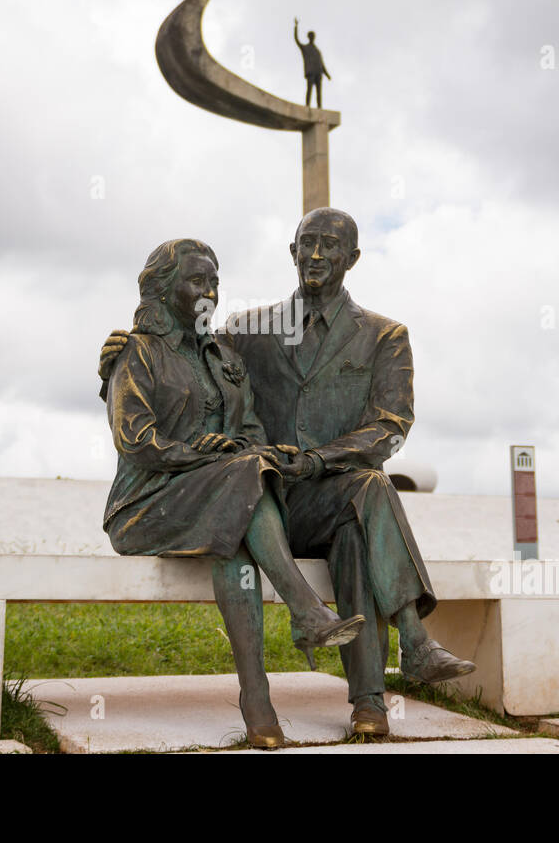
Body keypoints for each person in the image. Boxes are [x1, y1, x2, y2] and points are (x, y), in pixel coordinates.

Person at [99, 211, 474, 738]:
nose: (318, 254)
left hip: (323, 493)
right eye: (308, 244)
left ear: (353, 258)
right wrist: (116, 359)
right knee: (271, 509)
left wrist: (318, 459)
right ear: (292, 252)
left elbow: (390, 429)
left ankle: (377, 693)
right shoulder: (247, 333)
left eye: (331, 245)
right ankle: (386, 641)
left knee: (366, 496)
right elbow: (184, 355)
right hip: (254, 494)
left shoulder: (384, 336)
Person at [102, 238, 363, 749]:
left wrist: (235, 448)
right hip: (146, 507)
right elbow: (135, 440)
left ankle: (257, 705)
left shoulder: (224, 356)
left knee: (236, 535)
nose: (210, 291)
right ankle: (306, 611)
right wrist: (202, 453)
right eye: (197, 280)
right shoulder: (137, 352)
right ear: (163, 287)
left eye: (215, 282)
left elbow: (252, 433)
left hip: (221, 502)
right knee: (241, 481)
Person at [294, 18, 331, 108]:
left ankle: (319, 107)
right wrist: (296, 27)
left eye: (313, 36)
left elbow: (322, 64)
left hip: (318, 72)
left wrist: (327, 74)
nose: (312, 37)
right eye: (311, 36)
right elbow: (297, 40)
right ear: (309, 37)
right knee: (309, 89)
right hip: (311, 72)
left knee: (319, 92)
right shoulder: (306, 48)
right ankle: (307, 106)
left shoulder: (317, 51)